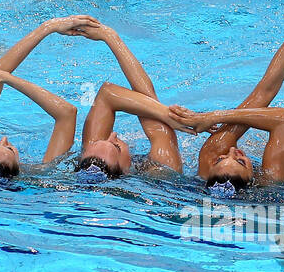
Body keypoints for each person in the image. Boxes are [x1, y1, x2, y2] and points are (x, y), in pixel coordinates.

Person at [168, 10, 284, 196]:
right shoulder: (272, 182)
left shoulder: (211, 154)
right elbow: (283, 117)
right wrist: (214, 117)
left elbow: (263, 93)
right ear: (251, 181)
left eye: (220, 160)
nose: (232, 150)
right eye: (240, 161)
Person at [0, 16, 98, 186]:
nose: (4, 139)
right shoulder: (47, 171)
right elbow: (67, 113)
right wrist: (8, 78)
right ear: (19, 172)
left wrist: (48, 27)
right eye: (9, 148)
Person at [66, 20, 193, 179]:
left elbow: (107, 94)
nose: (113, 134)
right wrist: (167, 116)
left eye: (98, 141)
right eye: (117, 147)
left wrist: (108, 36)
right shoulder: (162, 173)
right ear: (126, 171)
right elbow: (149, 104)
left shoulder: (91, 159)